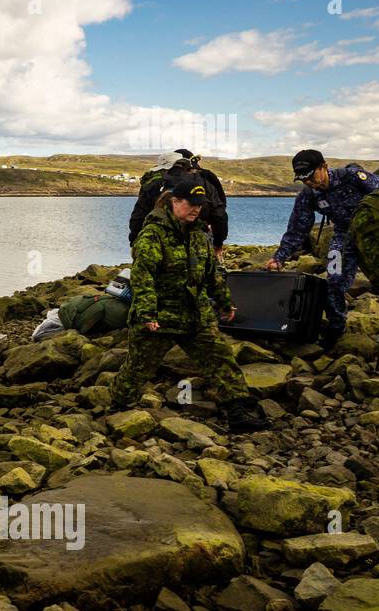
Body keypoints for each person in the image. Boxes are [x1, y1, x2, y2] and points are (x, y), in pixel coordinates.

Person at [110, 173, 269, 431]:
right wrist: (148, 314)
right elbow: (143, 276)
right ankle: (118, 404)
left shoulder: (198, 234)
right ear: (174, 201)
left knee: (220, 358)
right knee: (137, 369)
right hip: (160, 318)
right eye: (191, 203)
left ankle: (239, 410)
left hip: (196, 314)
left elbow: (211, 271)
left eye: (200, 204)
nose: (196, 209)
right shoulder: (152, 234)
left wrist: (223, 301)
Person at [265, 149, 379, 350]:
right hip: (343, 237)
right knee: (334, 281)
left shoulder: (353, 177)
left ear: (324, 167)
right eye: (303, 180)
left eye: (311, 176)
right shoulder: (308, 195)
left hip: (373, 235)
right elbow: (297, 229)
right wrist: (279, 258)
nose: (309, 182)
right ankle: (336, 329)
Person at [130, 149, 228, 255]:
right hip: (197, 237)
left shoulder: (152, 184)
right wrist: (218, 242)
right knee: (201, 268)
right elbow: (219, 215)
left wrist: (134, 242)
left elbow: (138, 216)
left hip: (159, 238)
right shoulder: (201, 181)